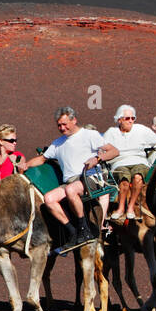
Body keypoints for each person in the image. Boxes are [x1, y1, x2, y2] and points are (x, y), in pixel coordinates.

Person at [21, 107, 118, 253]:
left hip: (89, 177)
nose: (62, 128)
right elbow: (42, 159)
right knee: (49, 199)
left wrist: (97, 158)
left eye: (65, 124)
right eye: (59, 125)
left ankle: (84, 230)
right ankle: (72, 231)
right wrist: (26, 165)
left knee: (71, 190)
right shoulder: (58, 143)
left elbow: (114, 151)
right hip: (70, 182)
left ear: (74, 120)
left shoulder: (89, 134)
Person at [103, 104, 156, 221]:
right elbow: (102, 149)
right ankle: (121, 208)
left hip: (139, 161)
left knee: (138, 177)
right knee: (124, 178)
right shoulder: (111, 133)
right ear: (119, 120)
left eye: (133, 118)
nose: (131, 121)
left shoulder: (141, 129)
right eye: (127, 118)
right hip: (119, 162)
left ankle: (131, 208)